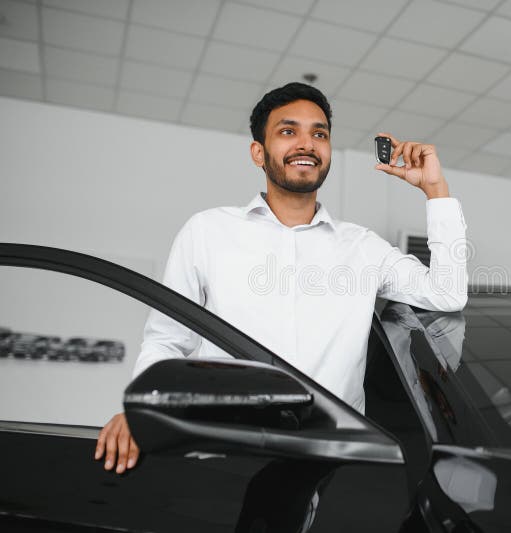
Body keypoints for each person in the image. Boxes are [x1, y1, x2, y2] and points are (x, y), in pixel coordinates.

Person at [95, 82, 468, 474]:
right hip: (225, 459)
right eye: (288, 131)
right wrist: (142, 411)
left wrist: (436, 190)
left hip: (335, 468)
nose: (307, 144)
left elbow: (447, 294)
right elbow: (166, 339)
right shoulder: (206, 231)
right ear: (258, 152)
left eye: (319, 134)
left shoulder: (363, 247)